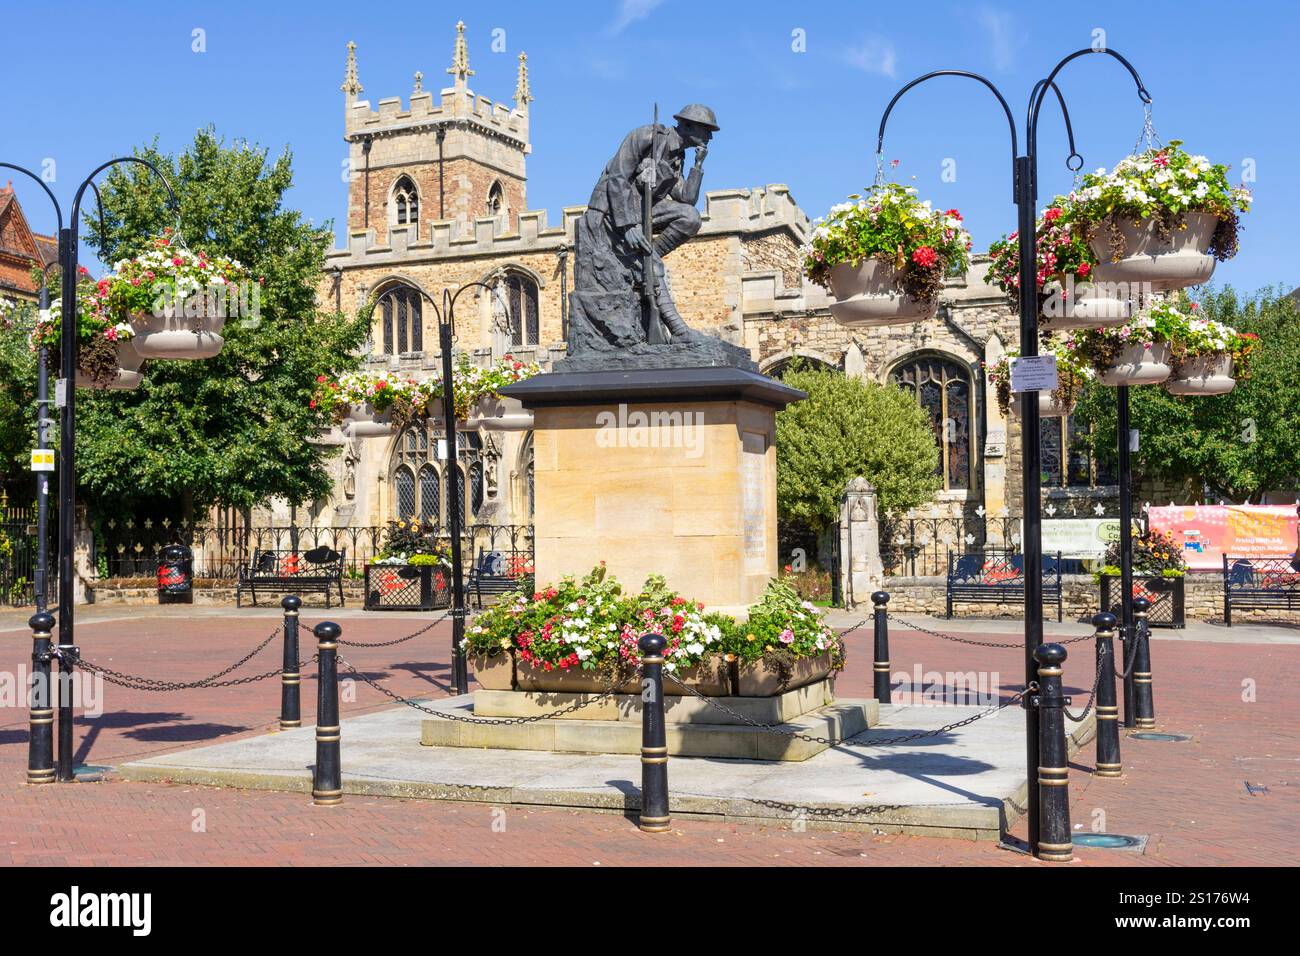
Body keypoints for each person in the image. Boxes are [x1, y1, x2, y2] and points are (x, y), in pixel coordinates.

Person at [575, 105, 720, 340]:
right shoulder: (646, 136)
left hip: (644, 212)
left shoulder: (678, 158)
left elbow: (686, 197)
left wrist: (698, 165)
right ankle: (678, 330)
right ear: (688, 126)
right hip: (611, 213)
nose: (710, 137)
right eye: (706, 130)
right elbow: (618, 177)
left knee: (690, 217)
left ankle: (648, 258)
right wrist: (629, 226)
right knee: (652, 266)